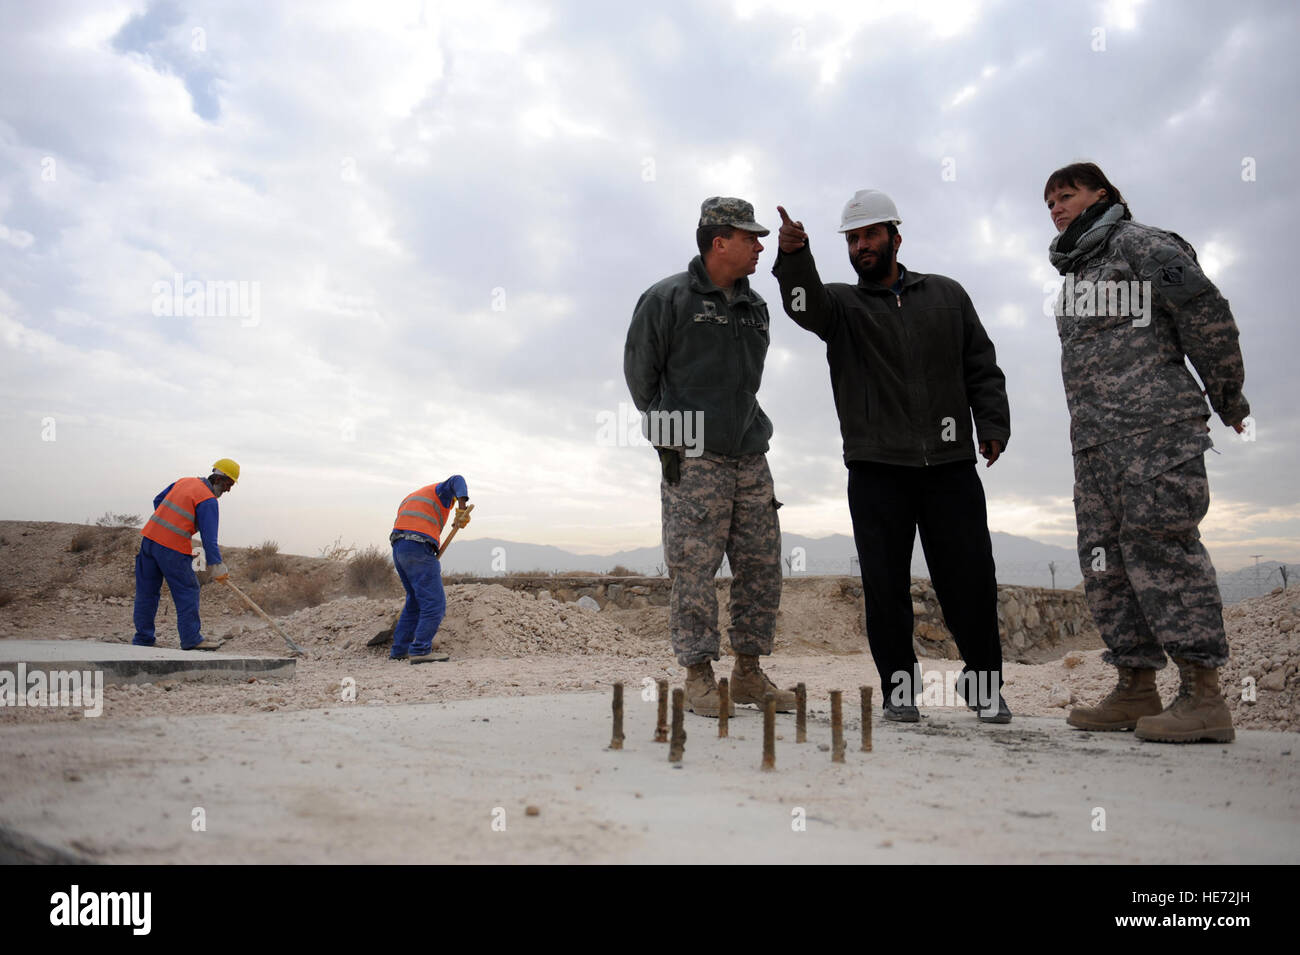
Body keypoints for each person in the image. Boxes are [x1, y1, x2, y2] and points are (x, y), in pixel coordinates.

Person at [772, 190, 1012, 723]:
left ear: (895, 238)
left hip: (950, 467)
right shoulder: (840, 307)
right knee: (886, 588)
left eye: (870, 235)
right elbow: (801, 301)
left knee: (970, 581)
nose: (862, 245)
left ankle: (985, 686)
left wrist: (992, 422)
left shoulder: (947, 296)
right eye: (853, 238)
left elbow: (981, 362)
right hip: (877, 468)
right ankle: (900, 690)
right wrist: (792, 257)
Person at [1044, 161, 1250, 743]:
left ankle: (1204, 697)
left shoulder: (1143, 245)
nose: (1056, 208)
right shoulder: (1075, 275)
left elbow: (1205, 312)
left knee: (1163, 553)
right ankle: (1136, 688)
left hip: (1157, 434)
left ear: (1101, 194)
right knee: (1104, 563)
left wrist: (1227, 395)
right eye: (1050, 202)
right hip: (1096, 445)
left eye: (1067, 195)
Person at [624, 197, 795, 718]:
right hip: (694, 455)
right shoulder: (666, 298)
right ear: (719, 242)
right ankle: (698, 676)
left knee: (761, 564)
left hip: (749, 452)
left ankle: (747, 673)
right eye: (750, 238)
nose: (759, 246)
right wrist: (672, 439)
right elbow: (641, 378)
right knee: (694, 569)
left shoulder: (756, 306)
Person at [133, 458, 239, 651]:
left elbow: (158, 500)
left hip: (149, 539)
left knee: (147, 592)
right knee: (188, 589)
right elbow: (209, 539)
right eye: (228, 484)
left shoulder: (185, 481)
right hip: (172, 547)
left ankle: (143, 638)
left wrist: (171, 521)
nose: (228, 490)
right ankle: (191, 639)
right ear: (218, 479)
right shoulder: (208, 500)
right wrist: (216, 565)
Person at [389, 476, 471, 663]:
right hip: (419, 547)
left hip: (400, 549)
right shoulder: (440, 491)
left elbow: (417, 521)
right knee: (434, 603)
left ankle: (399, 649)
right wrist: (462, 507)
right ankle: (420, 650)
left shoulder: (412, 497)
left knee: (415, 601)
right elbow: (457, 479)